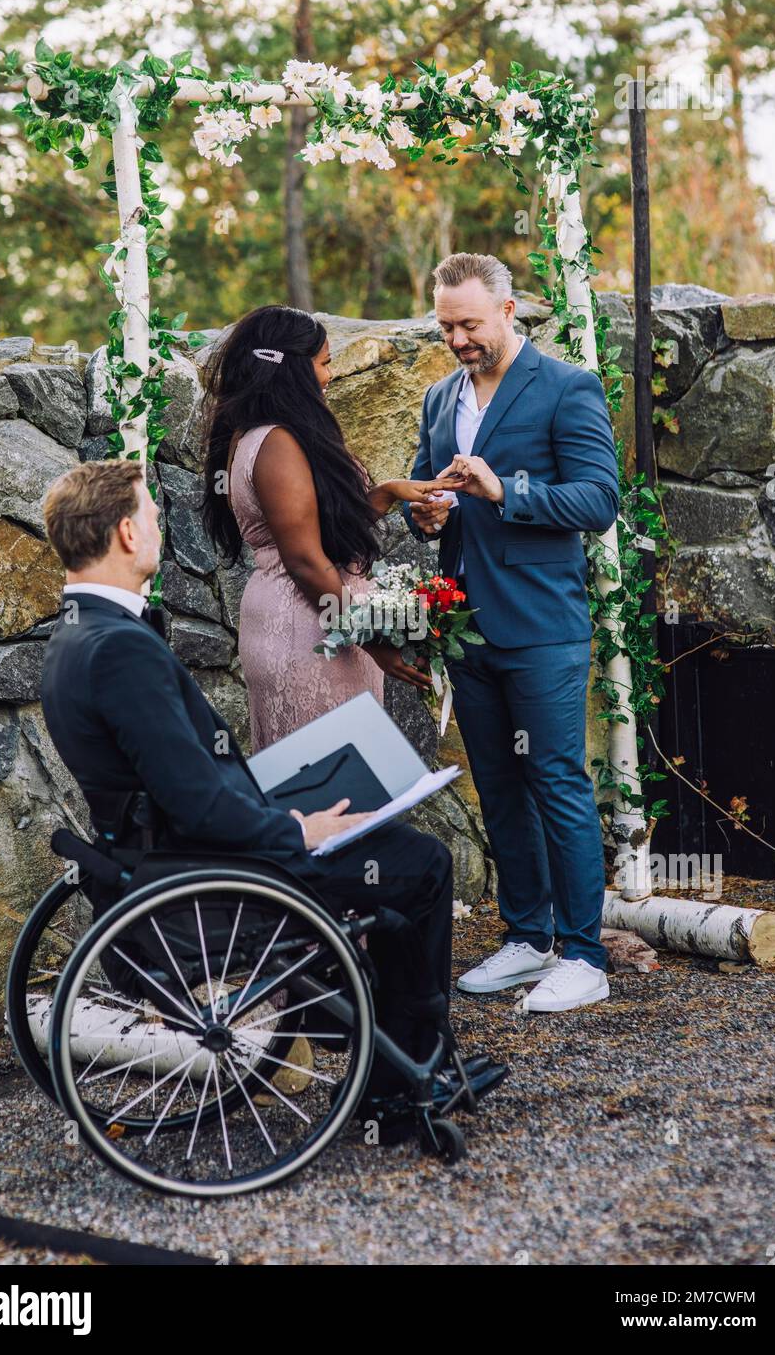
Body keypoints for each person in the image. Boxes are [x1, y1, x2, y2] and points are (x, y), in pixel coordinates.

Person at [39, 459, 504, 1135]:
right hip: (208, 873)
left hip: (165, 855)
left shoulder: (75, 635)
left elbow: (180, 785)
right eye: (152, 516)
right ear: (127, 534)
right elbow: (197, 803)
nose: (159, 527)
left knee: (385, 839)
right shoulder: (118, 649)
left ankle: (391, 1057)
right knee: (420, 863)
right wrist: (296, 829)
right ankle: (404, 1084)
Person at [403, 252, 620, 1013]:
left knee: (556, 783)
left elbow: (598, 500)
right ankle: (529, 938)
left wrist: (506, 490)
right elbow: (427, 492)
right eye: (445, 327)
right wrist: (426, 514)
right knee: (498, 786)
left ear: (508, 310)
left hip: (541, 625)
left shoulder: (567, 387)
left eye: (468, 324)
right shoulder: (439, 397)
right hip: (468, 628)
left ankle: (585, 956)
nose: (457, 340)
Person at [200, 305, 464, 749]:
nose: (330, 374)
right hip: (308, 629)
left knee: (332, 772)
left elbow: (315, 532)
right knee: (329, 772)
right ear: (294, 368)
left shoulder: (259, 433)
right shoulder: (278, 443)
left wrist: (386, 493)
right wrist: (373, 639)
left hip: (321, 620)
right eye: (324, 363)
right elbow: (305, 559)